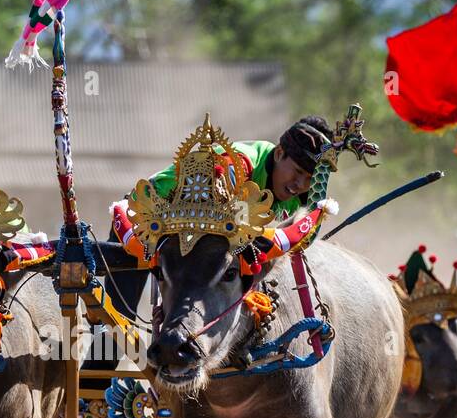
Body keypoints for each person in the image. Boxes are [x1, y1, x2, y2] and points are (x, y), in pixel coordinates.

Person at [107, 114, 334, 318]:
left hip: (198, 239)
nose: (301, 184)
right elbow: (235, 241)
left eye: (309, 179)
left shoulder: (302, 192)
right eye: (298, 172)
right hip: (145, 221)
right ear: (279, 153)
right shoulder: (233, 167)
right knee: (116, 325)